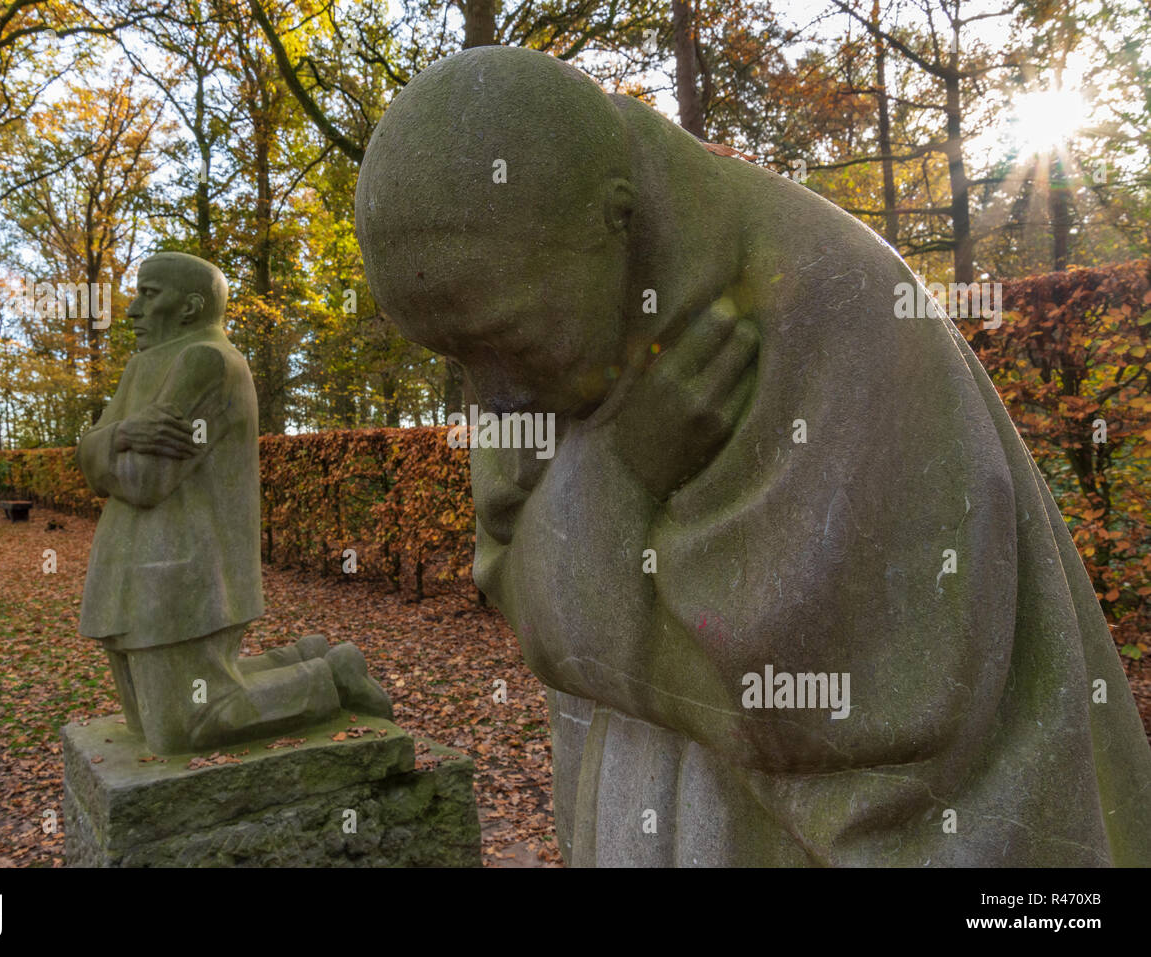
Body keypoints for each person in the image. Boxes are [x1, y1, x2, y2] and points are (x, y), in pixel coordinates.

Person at [354, 46, 1151, 865]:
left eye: (504, 343)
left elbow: (857, 707)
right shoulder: (533, 301)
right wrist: (626, 470)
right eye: (455, 359)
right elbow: (517, 580)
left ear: (614, 220)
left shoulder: (840, 305)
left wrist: (607, 521)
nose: (493, 404)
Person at [77, 251, 390, 754]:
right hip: (129, 570)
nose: (132, 309)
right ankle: (306, 656)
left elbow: (145, 480)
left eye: (148, 293)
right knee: (151, 720)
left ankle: (327, 678)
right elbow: (90, 453)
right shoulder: (143, 366)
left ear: (190, 307)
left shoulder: (206, 361)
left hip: (178, 574)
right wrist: (124, 433)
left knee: (184, 726)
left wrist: (106, 445)